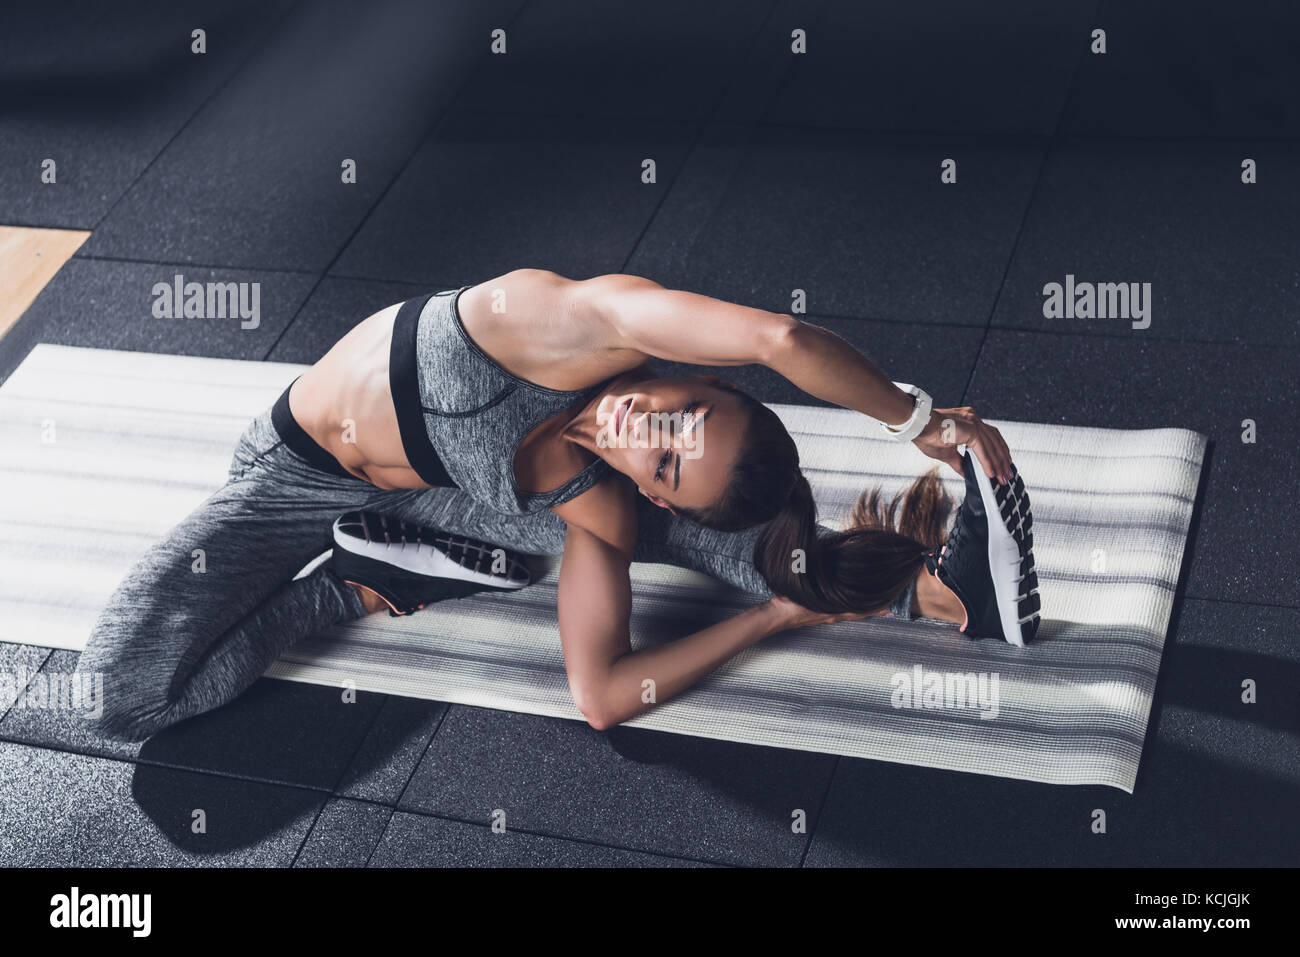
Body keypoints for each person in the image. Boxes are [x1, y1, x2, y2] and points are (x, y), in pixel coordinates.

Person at [78, 269, 1037, 741]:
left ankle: (943, 590)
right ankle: (374, 564)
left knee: (734, 543)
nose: (637, 425)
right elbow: (777, 334)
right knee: (117, 695)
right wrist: (913, 418)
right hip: (290, 477)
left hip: (447, 507)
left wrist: (774, 615)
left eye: (663, 461)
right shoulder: (572, 323)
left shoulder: (607, 508)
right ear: (699, 380)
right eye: (683, 412)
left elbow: (602, 698)